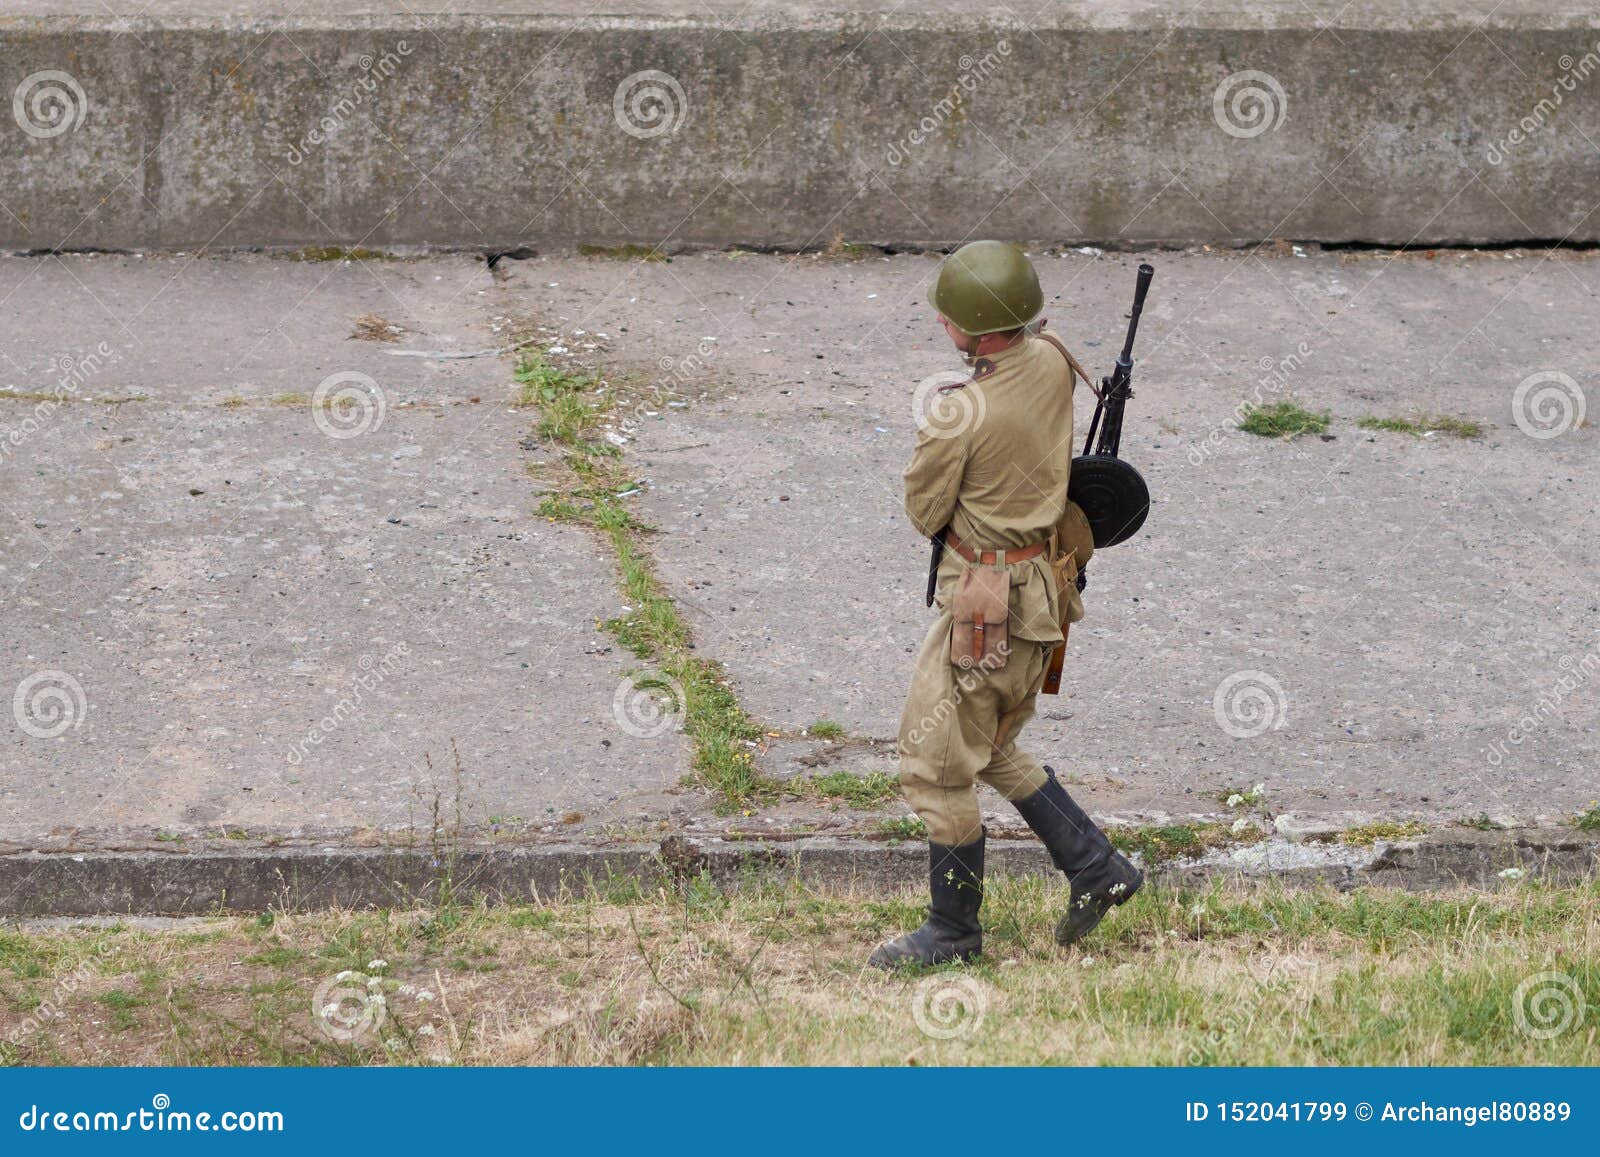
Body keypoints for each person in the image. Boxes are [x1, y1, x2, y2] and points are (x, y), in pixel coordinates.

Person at [870, 240, 1142, 969]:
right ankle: (1096, 866)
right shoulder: (1053, 360)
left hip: (983, 612)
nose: (940, 322)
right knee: (988, 744)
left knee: (935, 766)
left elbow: (925, 510)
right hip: (1044, 602)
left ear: (981, 333)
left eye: (951, 316)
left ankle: (953, 933)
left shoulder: (959, 413)